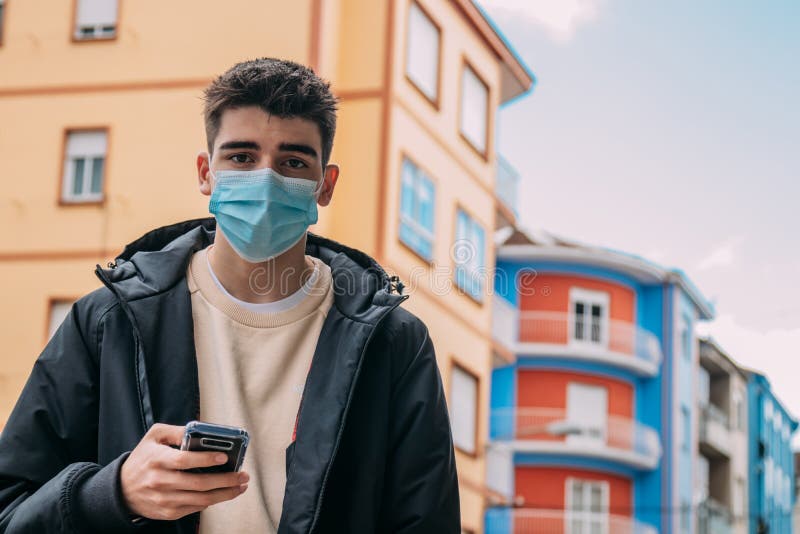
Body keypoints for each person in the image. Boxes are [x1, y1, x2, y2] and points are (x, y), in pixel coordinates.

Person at [0, 58, 460, 533]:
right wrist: (114, 492)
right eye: (241, 157)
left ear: (325, 185)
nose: (266, 179)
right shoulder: (108, 321)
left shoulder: (393, 341)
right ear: (206, 173)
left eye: (293, 162)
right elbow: (10, 508)